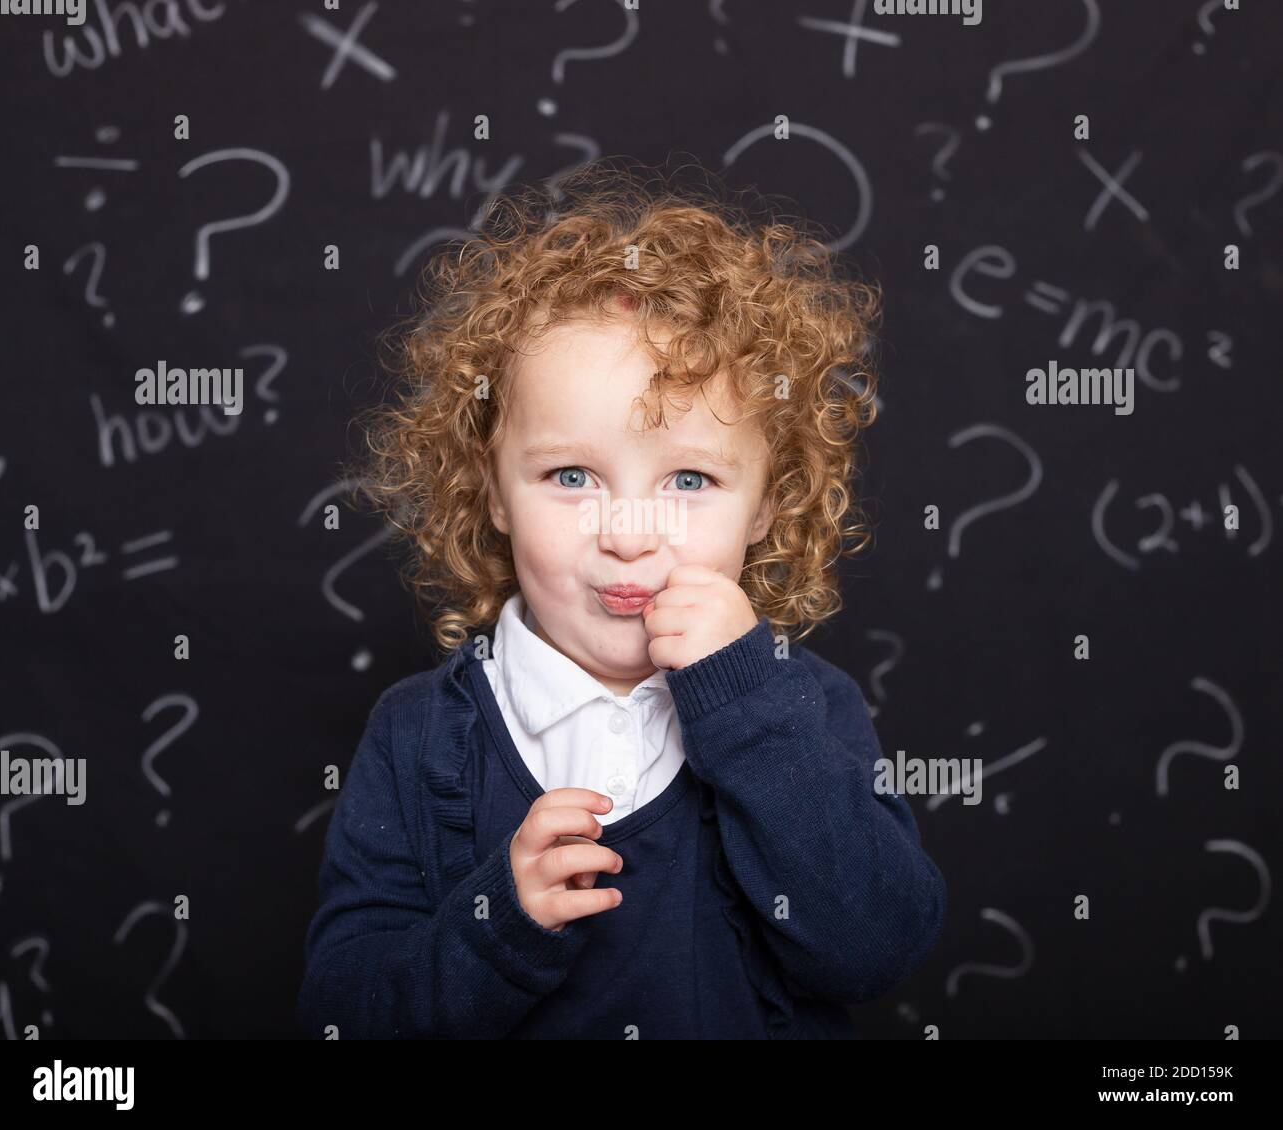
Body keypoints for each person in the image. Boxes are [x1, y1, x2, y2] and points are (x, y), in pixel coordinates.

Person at [297, 159, 945, 1039]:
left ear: (766, 506)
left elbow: (875, 948)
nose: (630, 530)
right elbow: (343, 1015)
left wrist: (747, 702)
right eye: (572, 475)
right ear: (492, 491)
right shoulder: (419, 737)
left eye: (689, 478)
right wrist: (496, 927)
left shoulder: (803, 708)